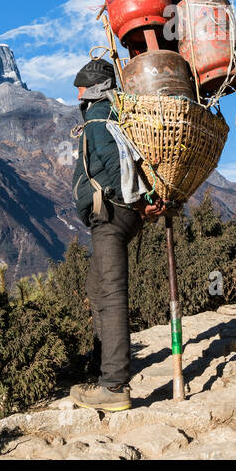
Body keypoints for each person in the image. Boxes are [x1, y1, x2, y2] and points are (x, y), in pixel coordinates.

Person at [69, 58, 164, 411]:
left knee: (109, 296)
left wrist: (135, 201)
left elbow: (118, 161)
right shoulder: (113, 115)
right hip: (118, 215)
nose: (77, 94)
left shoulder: (98, 118)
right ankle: (102, 366)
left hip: (111, 214)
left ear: (93, 89)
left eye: (80, 87)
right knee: (97, 288)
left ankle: (114, 387)